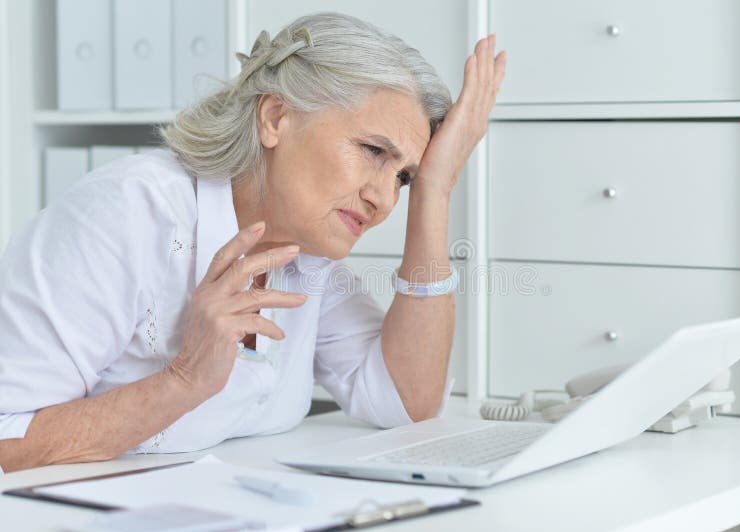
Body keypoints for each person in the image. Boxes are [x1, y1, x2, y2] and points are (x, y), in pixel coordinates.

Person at [0, 12, 506, 473]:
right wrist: (183, 380)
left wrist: (435, 193)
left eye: (403, 178)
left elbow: (407, 402)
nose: (384, 199)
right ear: (275, 118)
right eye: (373, 150)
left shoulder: (305, 254)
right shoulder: (128, 213)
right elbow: (7, 440)